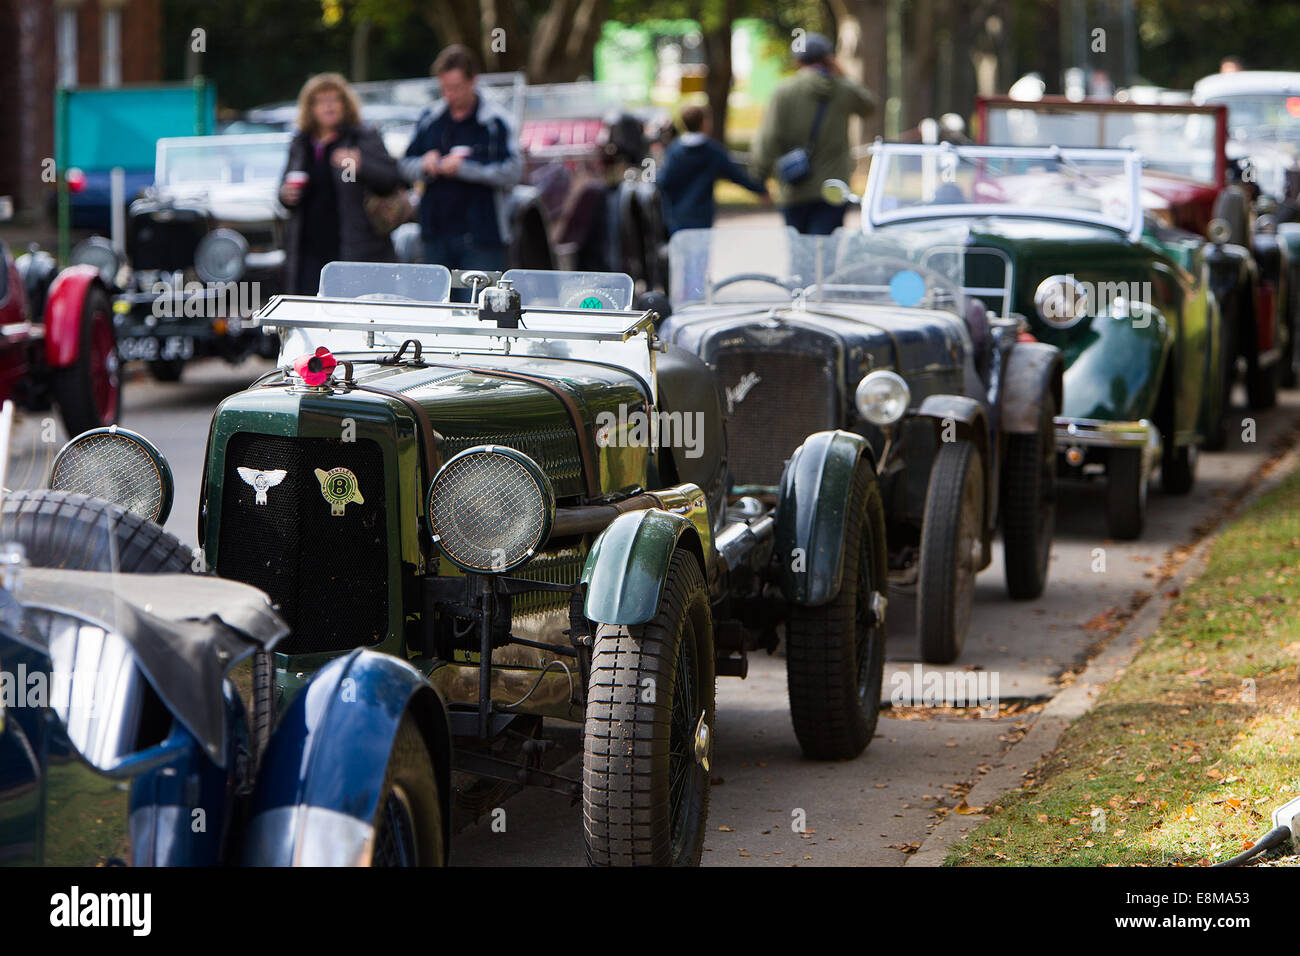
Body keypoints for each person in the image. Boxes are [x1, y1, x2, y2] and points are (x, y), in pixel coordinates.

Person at [401, 45, 522, 273]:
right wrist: (425, 165)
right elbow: (404, 165)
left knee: (478, 305)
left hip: (483, 237)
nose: (450, 94)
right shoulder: (430, 119)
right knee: (438, 307)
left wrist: (464, 168)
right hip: (435, 234)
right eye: (444, 88)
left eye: (456, 87)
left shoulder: (496, 122)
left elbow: (514, 171)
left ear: (472, 81)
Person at [280, 73, 402, 295]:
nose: (329, 106)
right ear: (311, 108)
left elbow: (392, 179)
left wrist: (361, 164)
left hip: (355, 248)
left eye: (335, 99)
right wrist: (285, 194)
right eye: (321, 101)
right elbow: (284, 187)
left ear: (345, 105)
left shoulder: (362, 137)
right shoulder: (301, 143)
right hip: (308, 250)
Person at [753, 33, 875, 235]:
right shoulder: (843, 89)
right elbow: (869, 106)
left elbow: (769, 139)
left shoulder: (783, 91)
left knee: (799, 253)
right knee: (827, 250)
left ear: (797, 60)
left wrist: (759, 179)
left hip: (795, 187)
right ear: (829, 58)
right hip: (834, 187)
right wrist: (842, 74)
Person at [659, 104, 768, 234]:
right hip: (701, 215)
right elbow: (736, 175)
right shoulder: (712, 151)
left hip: (677, 216)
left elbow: (663, 181)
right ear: (704, 123)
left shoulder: (674, 150)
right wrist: (760, 190)